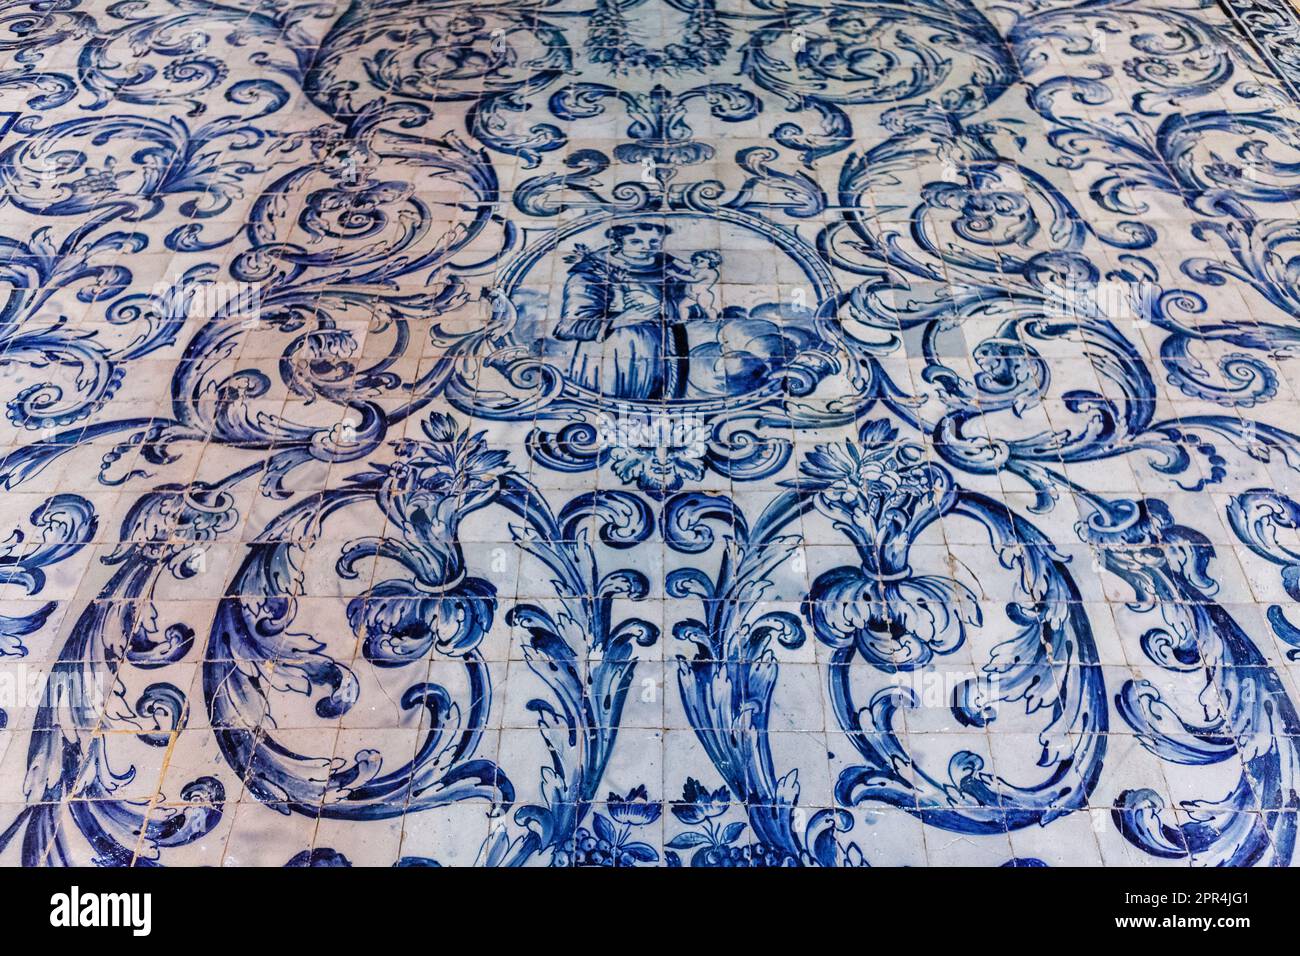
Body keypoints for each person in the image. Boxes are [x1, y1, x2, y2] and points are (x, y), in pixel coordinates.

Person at [553, 222, 699, 400]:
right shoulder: (593, 271)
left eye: (654, 241)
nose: (646, 247)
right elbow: (569, 326)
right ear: (619, 242)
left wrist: (663, 306)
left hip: (669, 351)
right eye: (636, 242)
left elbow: (695, 308)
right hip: (615, 356)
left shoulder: (673, 270)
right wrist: (620, 319)